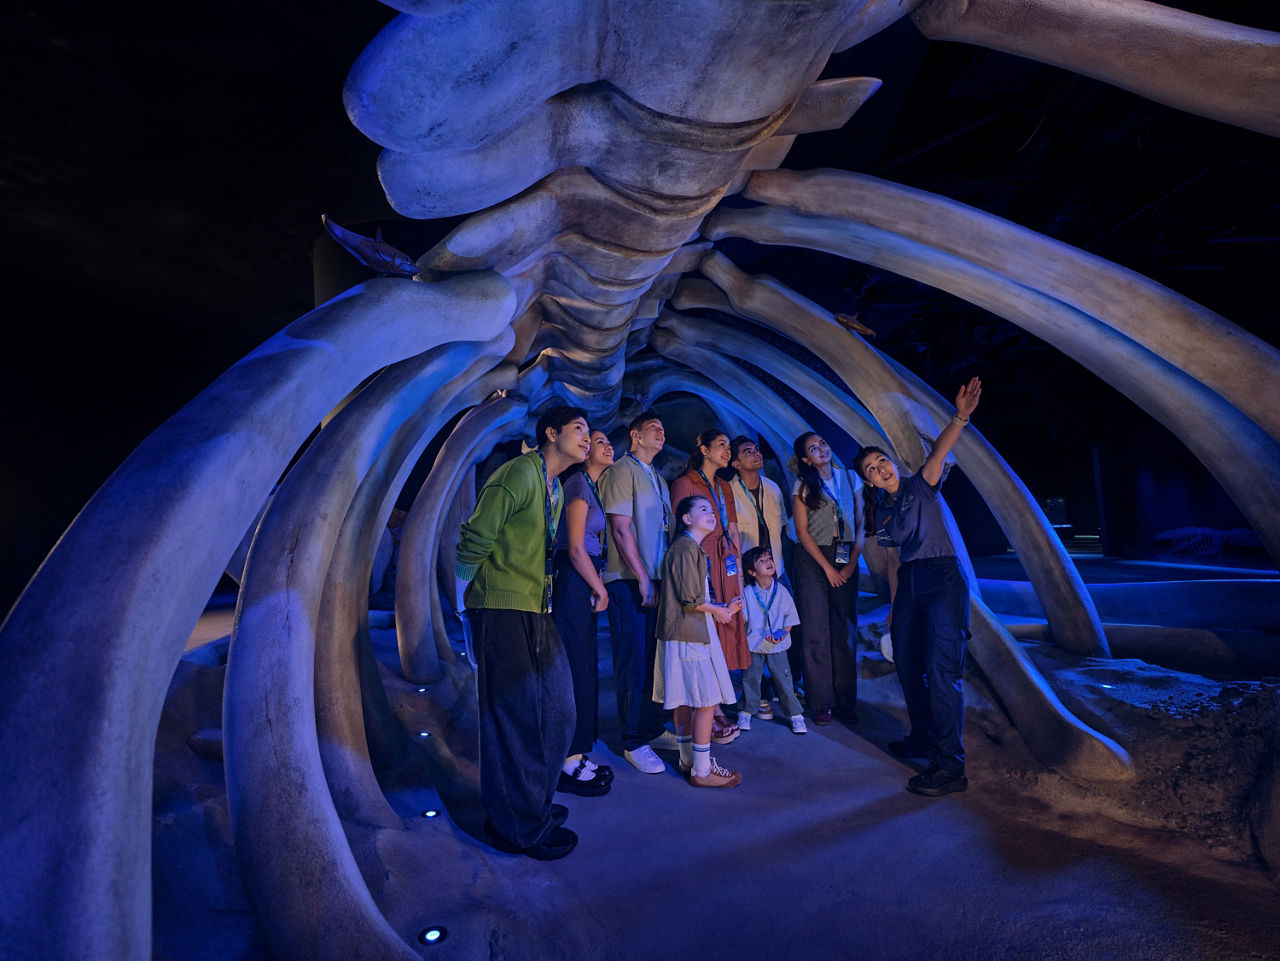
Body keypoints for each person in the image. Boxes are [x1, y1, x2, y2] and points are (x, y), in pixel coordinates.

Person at [455, 405, 589, 859]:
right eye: (578, 429)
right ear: (550, 433)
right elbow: (475, 537)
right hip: (499, 609)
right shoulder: (518, 473)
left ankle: (532, 805)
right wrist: (461, 606)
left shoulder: (552, 486)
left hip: (535, 609)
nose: (587, 436)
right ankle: (515, 825)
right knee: (515, 719)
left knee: (558, 713)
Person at [856, 376, 982, 798]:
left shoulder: (919, 486)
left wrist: (960, 416)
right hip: (909, 584)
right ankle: (924, 736)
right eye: (871, 469)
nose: (880, 468)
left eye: (881, 461)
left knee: (943, 671)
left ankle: (950, 766)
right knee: (909, 665)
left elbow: (941, 450)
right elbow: (892, 560)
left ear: (891, 462)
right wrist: (895, 605)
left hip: (943, 578)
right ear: (870, 482)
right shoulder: (885, 516)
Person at [598, 410, 676, 774]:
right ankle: (631, 740)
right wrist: (642, 577)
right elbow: (619, 529)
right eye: (654, 428)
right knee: (632, 661)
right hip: (628, 581)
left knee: (652, 659)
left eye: (663, 428)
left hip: (656, 580)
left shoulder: (658, 479)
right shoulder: (620, 471)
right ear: (635, 435)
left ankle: (651, 727)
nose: (661, 432)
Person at [654, 496, 744, 788]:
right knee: (706, 701)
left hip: (687, 631)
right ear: (686, 519)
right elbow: (690, 599)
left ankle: (687, 759)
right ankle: (702, 770)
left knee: (684, 698)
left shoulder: (691, 548)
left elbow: (694, 597)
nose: (712, 514)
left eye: (713, 510)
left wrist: (722, 608)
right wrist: (717, 610)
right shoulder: (685, 548)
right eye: (703, 509)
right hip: (689, 634)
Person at [671, 429, 749, 743]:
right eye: (720, 446)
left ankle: (714, 705)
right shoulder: (684, 482)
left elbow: (733, 531)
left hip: (726, 563)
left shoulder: (724, 486)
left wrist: (740, 576)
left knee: (728, 631)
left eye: (729, 446)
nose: (727, 451)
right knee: (707, 634)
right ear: (704, 449)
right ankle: (707, 712)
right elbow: (682, 531)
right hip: (702, 560)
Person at [551, 429, 615, 797]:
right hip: (575, 580)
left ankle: (576, 753)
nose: (606, 446)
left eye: (608, 442)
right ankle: (565, 761)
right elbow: (574, 547)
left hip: (584, 577)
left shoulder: (589, 486)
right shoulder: (576, 483)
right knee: (574, 665)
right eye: (598, 441)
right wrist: (599, 586)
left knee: (584, 664)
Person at [790, 431, 863, 726]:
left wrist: (848, 565)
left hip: (844, 550)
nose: (821, 448)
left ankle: (846, 701)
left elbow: (861, 522)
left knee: (844, 627)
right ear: (806, 458)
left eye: (822, 442)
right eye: (813, 448)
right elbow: (802, 532)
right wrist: (828, 569)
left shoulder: (850, 477)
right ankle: (820, 701)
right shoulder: (803, 484)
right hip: (811, 556)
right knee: (815, 628)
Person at [730, 435, 797, 718]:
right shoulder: (729, 492)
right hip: (747, 575)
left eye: (756, 449)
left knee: (782, 627)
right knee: (751, 636)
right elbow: (728, 539)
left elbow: (780, 527)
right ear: (735, 463)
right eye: (748, 452)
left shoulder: (772, 488)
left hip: (775, 570)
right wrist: (735, 576)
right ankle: (759, 696)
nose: (755, 454)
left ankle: (785, 688)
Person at [736, 546, 806, 735]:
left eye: (769, 559)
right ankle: (746, 711)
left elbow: (790, 619)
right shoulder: (748, 592)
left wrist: (781, 634)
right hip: (754, 644)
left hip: (778, 645)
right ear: (751, 571)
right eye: (762, 561)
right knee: (750, 678)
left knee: (784, 679)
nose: (768, 562)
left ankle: (795, 715)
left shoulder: (782, 591)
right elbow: (743, 620)